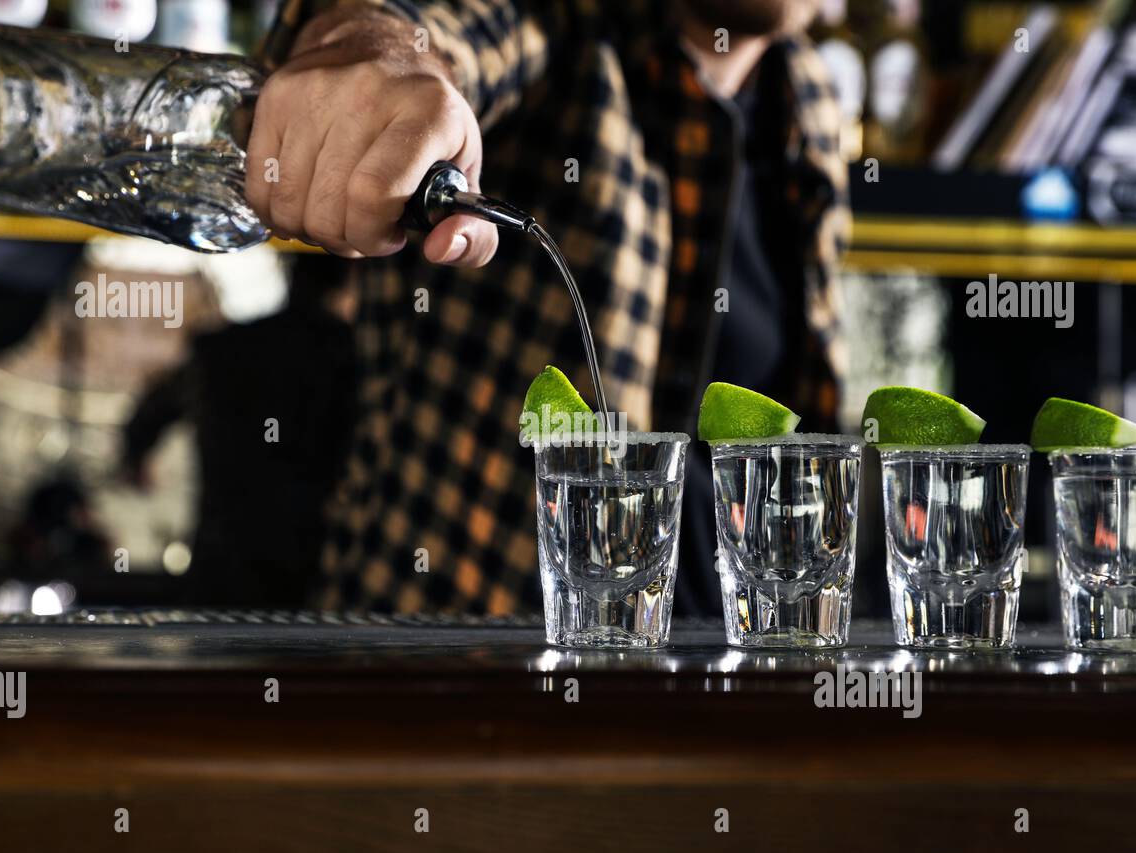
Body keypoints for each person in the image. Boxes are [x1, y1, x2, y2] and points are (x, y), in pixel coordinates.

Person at [251, 0, 849, 615]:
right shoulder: (563, 21)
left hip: (718, 676)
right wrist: (379, 62)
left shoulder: (812, 100)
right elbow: (428, 31)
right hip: (457, 665)